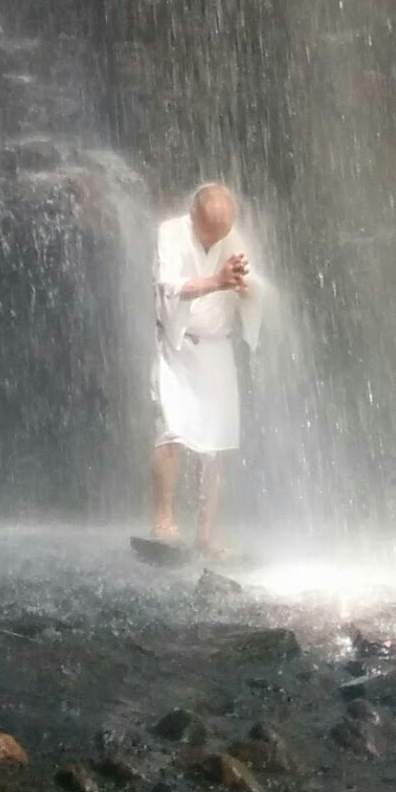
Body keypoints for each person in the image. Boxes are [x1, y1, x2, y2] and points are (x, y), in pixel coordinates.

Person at [148, 180, 260, 557]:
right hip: (178, 347)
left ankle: (207, 535)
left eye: (223, 233)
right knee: (170, 432)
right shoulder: (170, 233)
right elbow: (168, 287)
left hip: (217, 349)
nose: (217, 241)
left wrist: (245, 288)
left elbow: (253, 288)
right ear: (193, 216)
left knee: (216, 445)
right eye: (210, 232)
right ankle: (163, 523)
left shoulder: (234, 238)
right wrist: (217, 280)